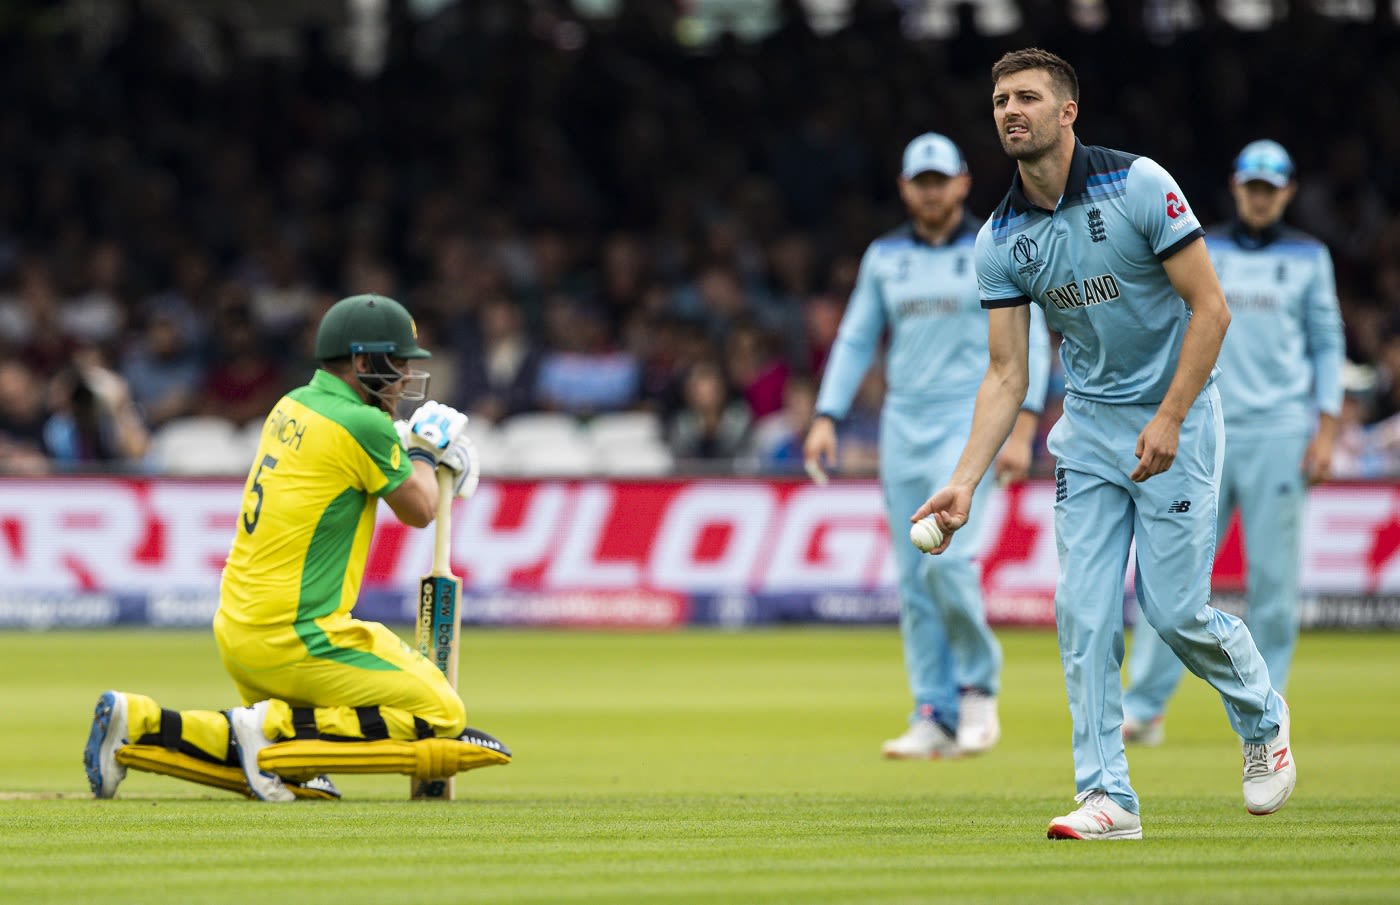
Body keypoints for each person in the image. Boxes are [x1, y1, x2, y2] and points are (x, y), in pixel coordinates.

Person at [911, 49, 1294, 840]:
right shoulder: (1001, 237)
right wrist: (964, 481)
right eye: (999, 100)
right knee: (1080, 610)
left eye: (1026, 97)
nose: (1010, 110)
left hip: (1176, 419)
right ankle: (1107, 797)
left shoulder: (1139, 184)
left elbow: (1212, 310)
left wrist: (1172, 415)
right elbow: (1007, 374)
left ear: (1067, 112)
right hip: (1087, 430)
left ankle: (1263, 718)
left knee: (1175, 610)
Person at [83, 294, 510, 802]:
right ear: (360, 362)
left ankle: (141, 723)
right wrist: (425, 453)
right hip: (301, 639)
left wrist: (406, 447)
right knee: (442, 710)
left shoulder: (293, 404)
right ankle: (274, 727)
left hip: (240, 632)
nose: (402, 378)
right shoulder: (363, 424)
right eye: (395, 363)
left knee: (293, 762)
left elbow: (346, 459)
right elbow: (420, 510)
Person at [803, 132, 1050, 760]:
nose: (933, 191)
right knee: (915, 578)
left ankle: (977, 686)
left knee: (950, 563)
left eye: (942, 180)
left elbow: (1033, 338)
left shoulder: (995, 241)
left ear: (963, 183)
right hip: (902, 427)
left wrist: (1022, 426)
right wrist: (827, 414)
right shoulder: (885, 256)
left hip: (972, 426)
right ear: (906, 188)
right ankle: (932, 713)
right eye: (922, 181)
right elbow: (857, 339)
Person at [1122, 141, 1346, 746]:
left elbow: (1328, 345)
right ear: (1235, 187)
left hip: (1279, 432)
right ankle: (1142, 708)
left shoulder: (1309, 257)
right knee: (1173, 580)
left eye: (1271, 189)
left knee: (1274, 586)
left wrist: (1325, 431)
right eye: (1252, 188)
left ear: (1288, 193)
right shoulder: (1202, 246)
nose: (1260, 198)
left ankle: (1264, 715)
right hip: (1201, 425)